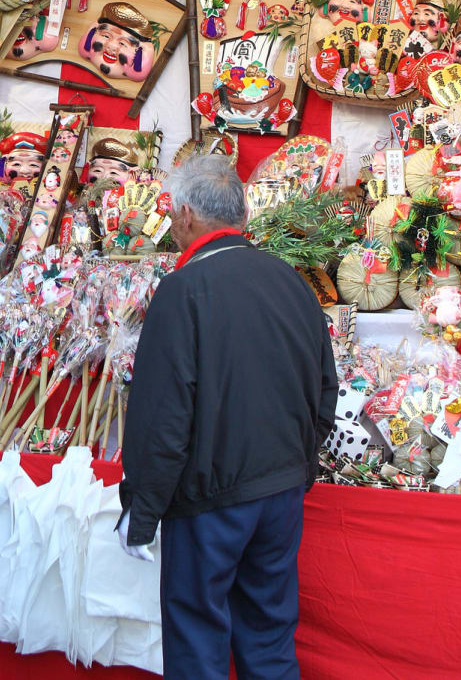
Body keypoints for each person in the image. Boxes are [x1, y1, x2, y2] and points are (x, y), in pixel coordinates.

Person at [119, 156, 335, 680]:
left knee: (198, 643)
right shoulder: (290, 281)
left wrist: (141, 511)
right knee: (268, 637)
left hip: (211, 499)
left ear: (188, 215)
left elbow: (162, 417)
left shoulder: (182, 290)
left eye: (172, 213)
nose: (170, 223)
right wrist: (299, 468)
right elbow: (326, 389)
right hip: (279, 492)